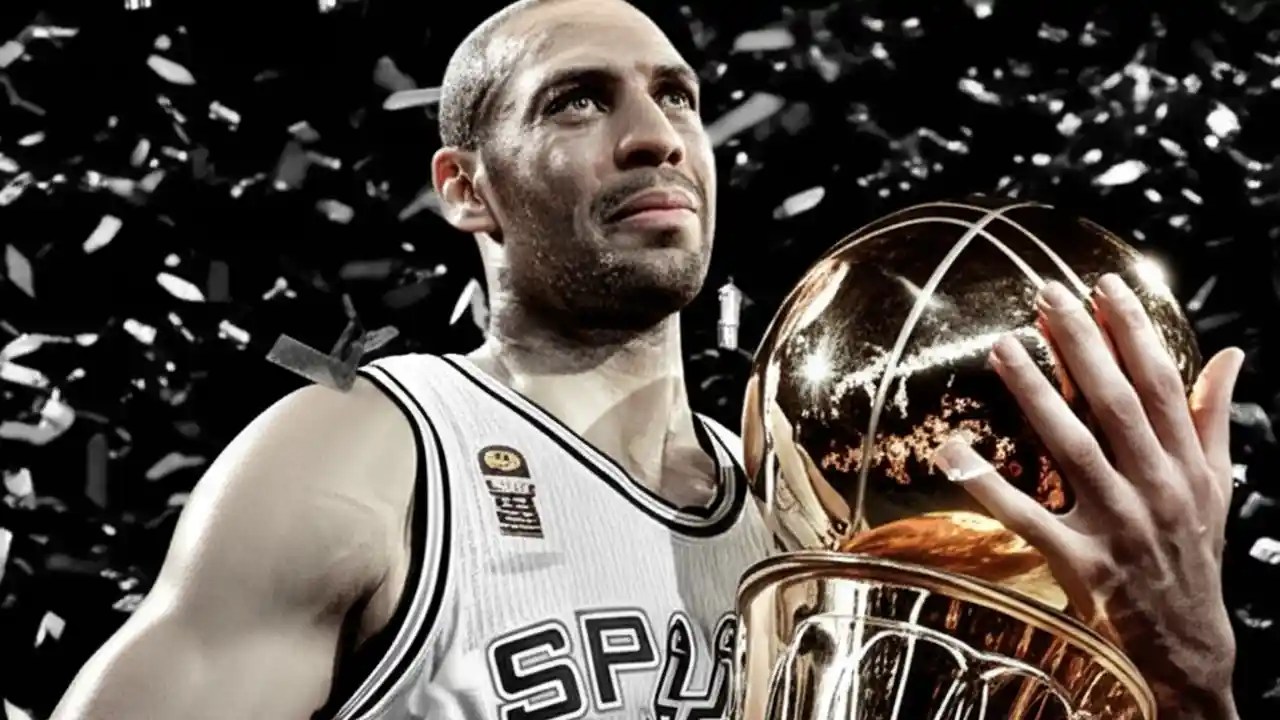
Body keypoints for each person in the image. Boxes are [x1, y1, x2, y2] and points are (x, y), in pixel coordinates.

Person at [48, 0, 1244, 718]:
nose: (652, 137)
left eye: (675, 95)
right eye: (575, 102)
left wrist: (1186, 674)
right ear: (467, 192)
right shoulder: (366, 449)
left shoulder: (829, 532)